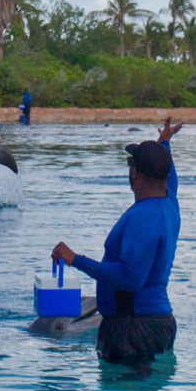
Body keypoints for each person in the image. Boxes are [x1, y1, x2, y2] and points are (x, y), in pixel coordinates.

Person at [51, 116, 183, 365]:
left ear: (136, 173)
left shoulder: (143, 218)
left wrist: (75, 260)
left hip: (133, 329)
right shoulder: (168, 202)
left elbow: (130, 278)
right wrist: (164, 141)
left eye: (131, 164)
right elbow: (170, 174)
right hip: (153, 323)